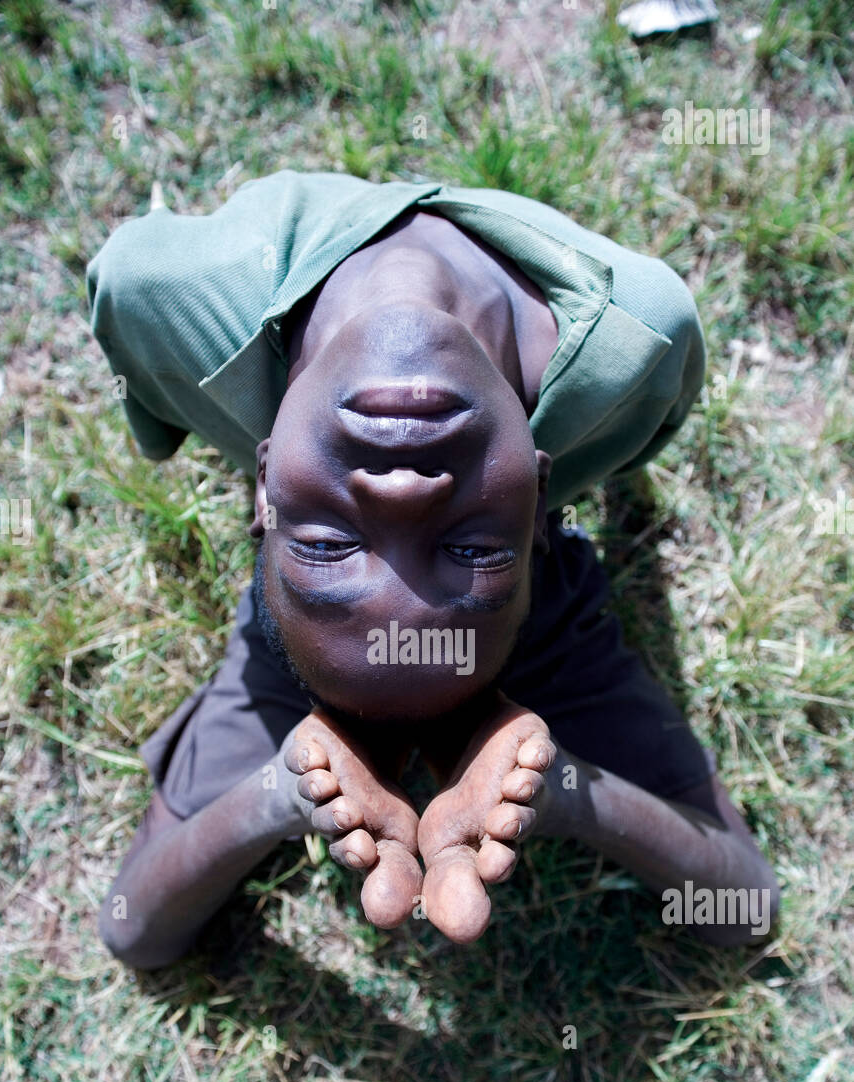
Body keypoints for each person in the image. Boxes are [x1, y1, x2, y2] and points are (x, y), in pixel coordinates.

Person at [86, 170, 778, 965]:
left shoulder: (163, 295)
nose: (404, 491)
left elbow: (132, 922)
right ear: (541, 500)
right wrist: (563, 795)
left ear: (262, 479)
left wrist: (283, 792)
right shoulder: (632, 343)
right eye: (471, 550)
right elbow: (746, 905)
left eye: (326, 545)